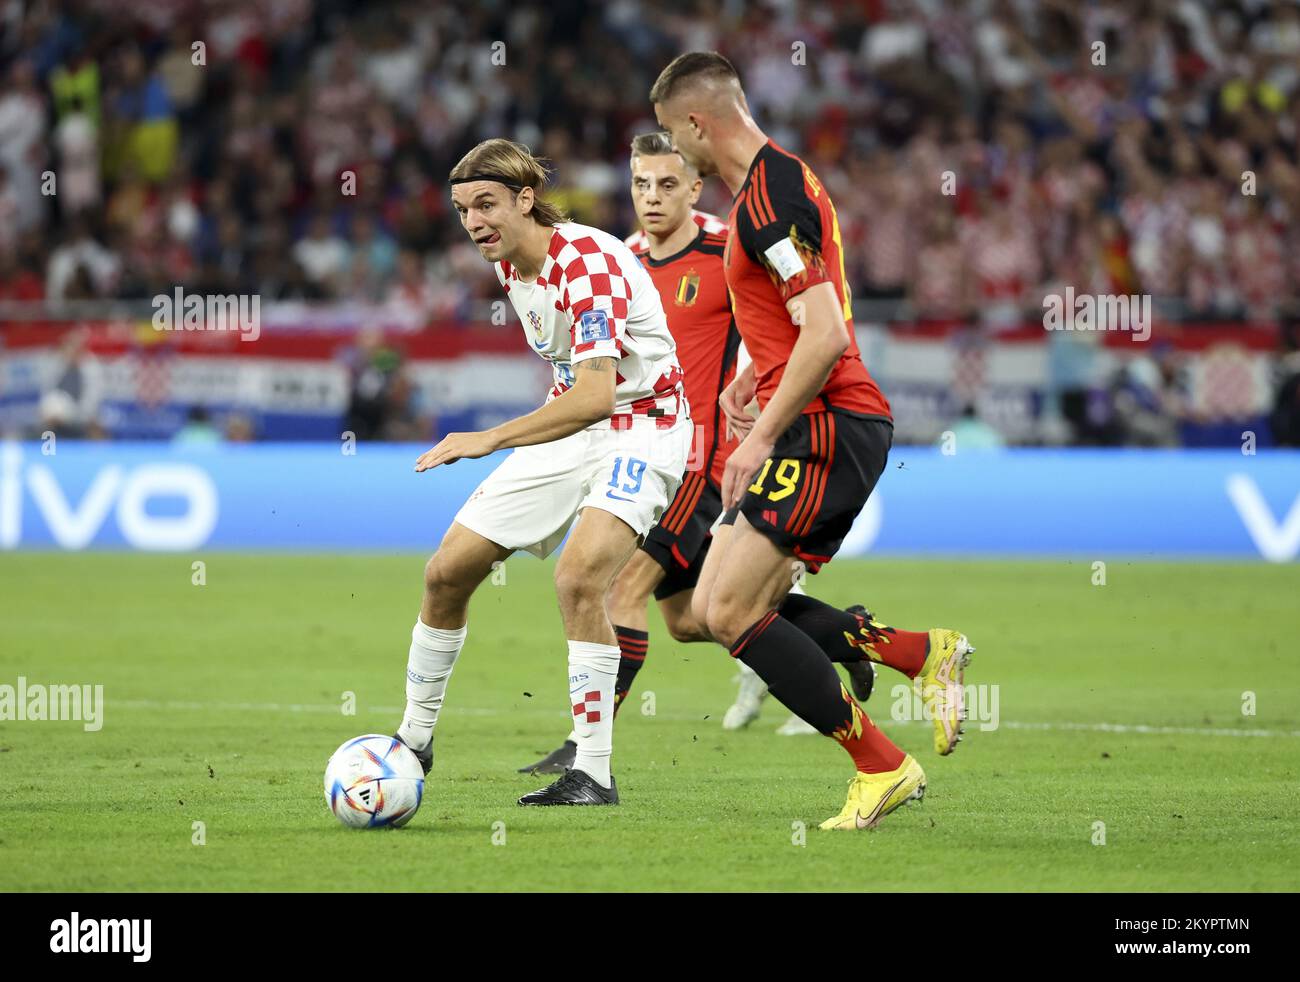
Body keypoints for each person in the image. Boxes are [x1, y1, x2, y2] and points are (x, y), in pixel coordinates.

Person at [651, 52, 974, 830]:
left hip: (826, 428)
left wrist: (759, 433)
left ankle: (882, 766)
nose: (673, 151)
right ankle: (913, 652)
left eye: (671, 134)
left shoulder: (764, 202)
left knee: (728, 609)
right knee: (700, 609)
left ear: (697, 122)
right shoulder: (781, 180)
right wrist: (754, 376)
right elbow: (800, 315)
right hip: (813, 420)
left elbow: (825, 334)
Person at [518, 131, 883, 771]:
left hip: (704, 460)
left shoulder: (729, 246)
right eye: (639, 184)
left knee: (619, 591)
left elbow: (803, 322)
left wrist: (762, 408)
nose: (651, 197)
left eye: (666, 184)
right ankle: (852, 636)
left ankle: (586, 752)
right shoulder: (617, 260)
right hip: (642, 453)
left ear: (693, 187)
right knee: (693, 619)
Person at [392, 138, 693, 807]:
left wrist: (488, 439)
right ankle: (413, 742)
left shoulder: (585, 263)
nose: (473, 222)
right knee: (445, 573)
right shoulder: (510, 262)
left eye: (487, 204)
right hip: (571, 429)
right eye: (464, 209)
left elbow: (595, 394)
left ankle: (593, 772)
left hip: (642, 430)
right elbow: (574, 392)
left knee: (579, 577)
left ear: (526, 200)